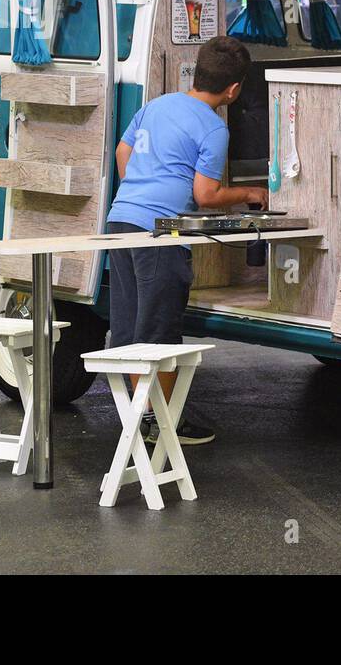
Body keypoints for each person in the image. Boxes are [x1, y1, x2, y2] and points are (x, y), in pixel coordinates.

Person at [106, 36, 267, 446]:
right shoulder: (214, 127)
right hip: (159, 235)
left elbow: (123, 152)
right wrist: (251, 195)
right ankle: (163, 423)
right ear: (233, 90)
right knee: (158, 333)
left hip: (121, 221)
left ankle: (138, 416)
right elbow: (206, 195)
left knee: (129, 324)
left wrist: (141, 187)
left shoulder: (155, 105)